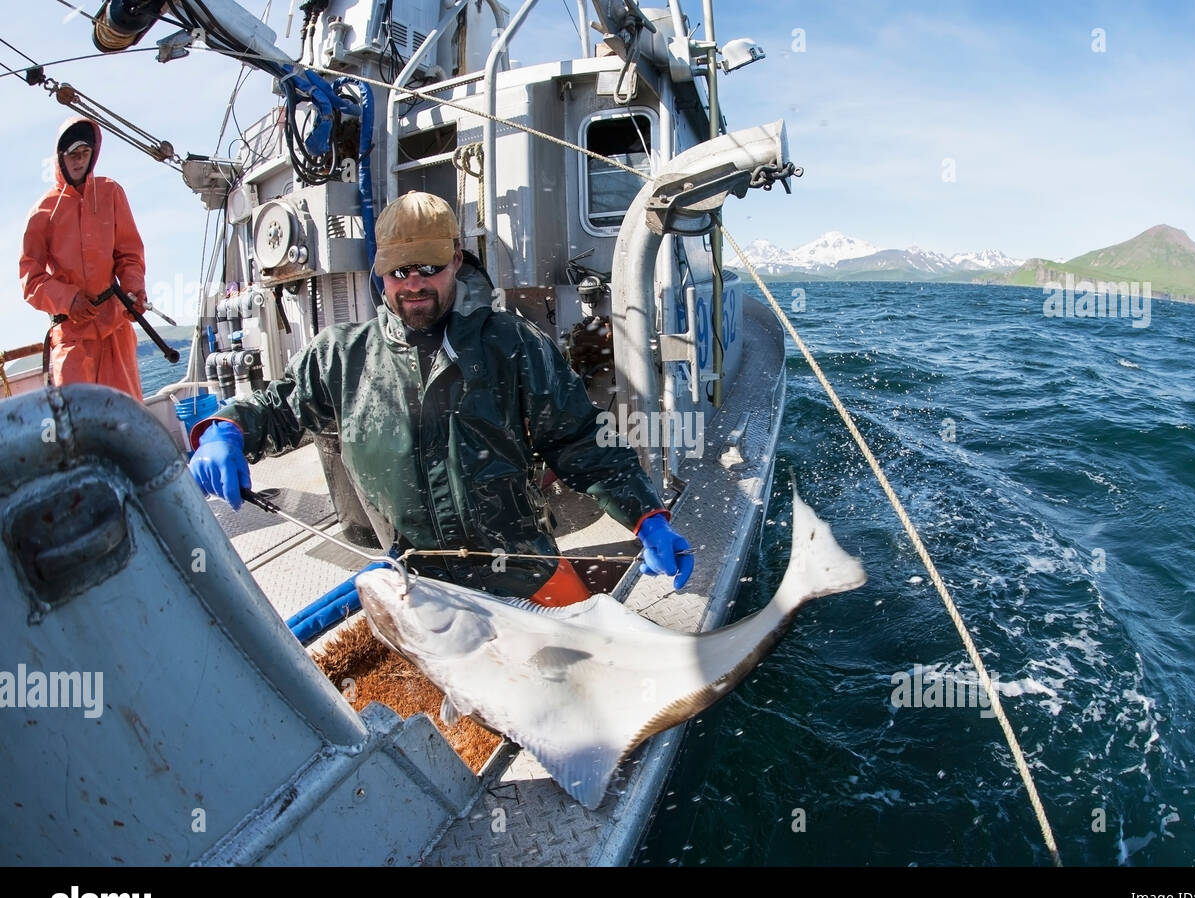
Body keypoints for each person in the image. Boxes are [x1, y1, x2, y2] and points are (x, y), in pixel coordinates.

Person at [188, 191, 692, 606]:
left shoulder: (512, 345)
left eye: (428, 267)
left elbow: (583, 442)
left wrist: (646, 516)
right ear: (378, 271)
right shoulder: (341, 357)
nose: (413, 285)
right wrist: (226, 429)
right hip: (419, 589)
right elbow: (278, 408)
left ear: (455, 260)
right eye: (397, 270)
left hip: (523, 570)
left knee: (585, 678)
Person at [19, 117, 148, 401]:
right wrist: (69, 299)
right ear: (59, 157)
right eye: (71, 155)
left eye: (84, 153)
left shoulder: (112, 192)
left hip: (115, 327)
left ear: (93, 154)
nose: (78, 161)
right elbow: (31, 281)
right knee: (82, 426)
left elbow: (129, 256)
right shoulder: (42, 212)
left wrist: (133, 291)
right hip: (71, 338)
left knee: (127, 416)